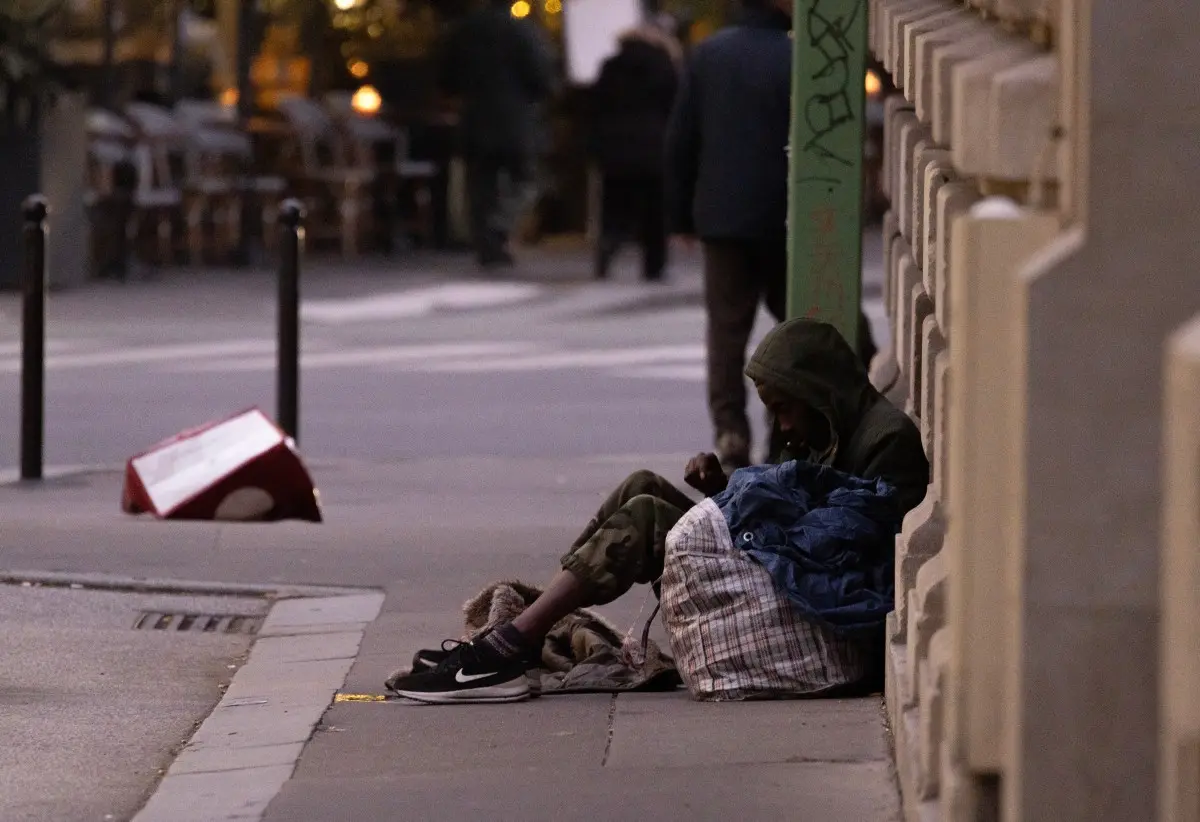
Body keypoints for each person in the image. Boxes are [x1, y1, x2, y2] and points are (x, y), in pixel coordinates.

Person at [387, 319, 930, 704]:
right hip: (788, 559)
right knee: (641, 486)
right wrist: (727, 489)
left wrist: (743, 499)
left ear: (819, 391)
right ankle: (544, 620)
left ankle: (513, 646)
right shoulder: (827, 424)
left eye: (785, 410)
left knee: (648, 517)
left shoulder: (885, 441)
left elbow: (845, 546)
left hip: (815, 593)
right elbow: (803, 503)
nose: (783, 426)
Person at [664, 0, 878, 472]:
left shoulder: (708, 55)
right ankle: (788, 429)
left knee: (726, 330)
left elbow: (682, 138)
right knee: (800, 327)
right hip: (789, 215)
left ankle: (730, 429)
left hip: (723, 217)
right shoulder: (800, 55)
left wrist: (680, 215)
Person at [437, 0, 557, 269]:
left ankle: (487, 246)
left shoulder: (463, 32)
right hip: (515, 120)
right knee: (527, 179)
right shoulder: (523, 32)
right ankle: (500, 226)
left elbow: (445, 78)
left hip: (475, 118)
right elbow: (542, 78)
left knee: (481, 186)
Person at [588, 22, 681, 282]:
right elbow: (675, 107)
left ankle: (608, 247)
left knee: (615, 207)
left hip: (615, 148)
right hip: (654, 147)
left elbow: (596, 107)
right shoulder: (663, 65)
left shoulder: (610, 66)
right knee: (655, 211)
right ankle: (654, 266)